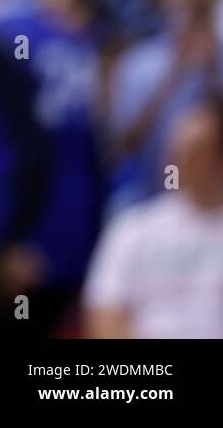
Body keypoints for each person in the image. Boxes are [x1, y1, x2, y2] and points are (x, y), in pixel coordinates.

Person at [82, 95, 223, 338]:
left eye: (194, 151)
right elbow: (104, 313)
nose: (177, 161)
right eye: (176, 150)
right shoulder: (134, 227)